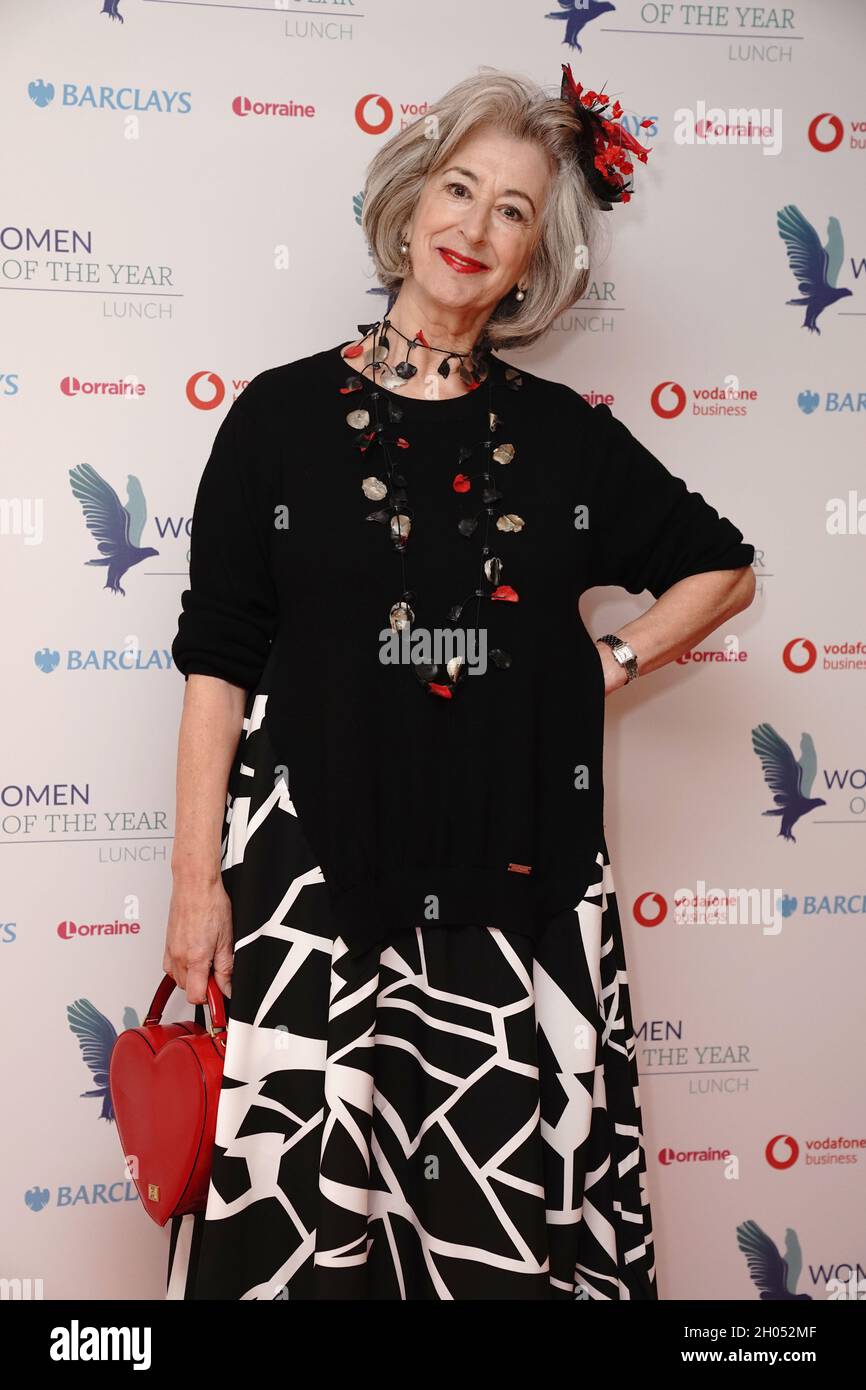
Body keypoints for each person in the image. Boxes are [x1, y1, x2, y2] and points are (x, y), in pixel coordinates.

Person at [164, 65, 755, 1301]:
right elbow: (217, 665)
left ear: (536, 255)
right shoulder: (274, 420)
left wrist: (604, 662)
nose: (474, 229)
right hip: (312, 889)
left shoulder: (562, 438)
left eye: (513, 211)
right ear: (408, 199)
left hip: (509, 896)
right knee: (306, 1243)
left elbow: (721, 568)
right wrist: (192, 885)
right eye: (459, 188)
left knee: (486, 1249)